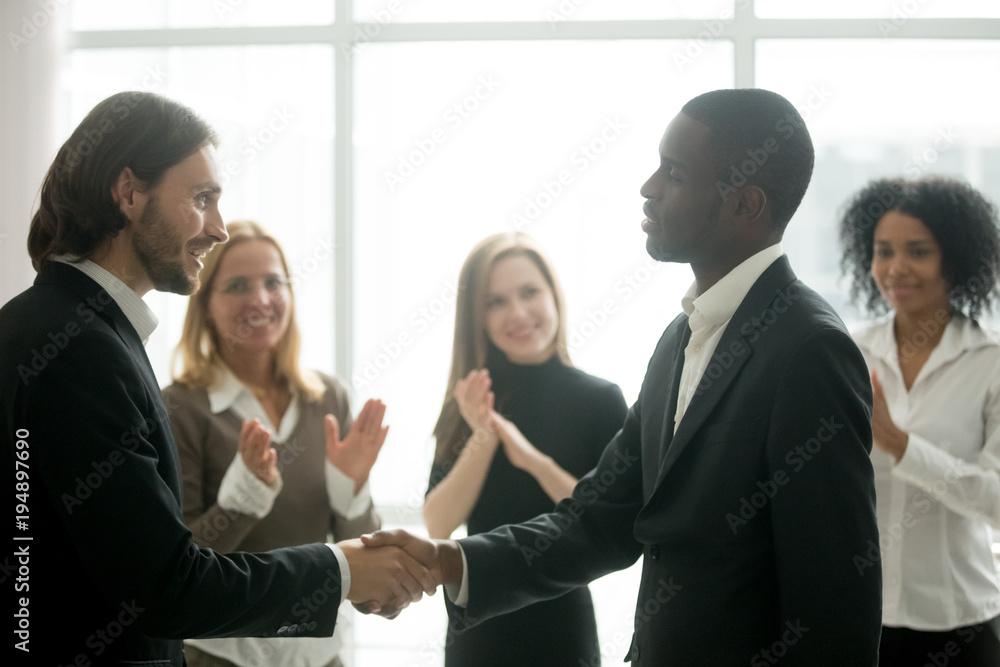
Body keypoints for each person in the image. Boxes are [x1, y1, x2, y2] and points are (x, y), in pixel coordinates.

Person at [363, 88, 883, 665]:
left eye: (674, 173)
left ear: (746, 204)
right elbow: (598, 520)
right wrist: (446, 561)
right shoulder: (677, 339)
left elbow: (837, 603)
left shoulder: (811, 349)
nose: (648, 187)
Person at [0, 91, 434, 667]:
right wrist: (342, 569)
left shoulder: (53, 326)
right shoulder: (82, 350)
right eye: (202, 198)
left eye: (274, 284)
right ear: (128, 192)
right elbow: (162, 588)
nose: (218, 228)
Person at [163, 220, 388, 667]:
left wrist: (352, 489)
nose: (260, 299)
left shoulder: (328, 398)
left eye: (273, 282)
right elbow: (179, 570)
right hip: (222, 656)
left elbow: (360, 548)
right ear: (206, 304)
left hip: (318, 653)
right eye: (238, 285)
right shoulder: (182, 407)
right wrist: (241, 501)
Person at [422, 232, 628, 665]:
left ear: (553, 294)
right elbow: (438, 523)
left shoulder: (601, 400)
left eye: (529, 292)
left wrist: (531, 459)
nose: (517, 312)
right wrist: (484, 433)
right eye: (495, 301)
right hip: (477, 631)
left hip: (563, 632)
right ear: (476, 316)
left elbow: (612, 522)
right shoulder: (469, 400)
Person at [839, 176, 1000, 666]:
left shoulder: (990, 363)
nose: (896, 268)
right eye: (883, 250)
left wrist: (900, 445)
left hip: (961, 621)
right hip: (859, 616)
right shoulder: (847, 351)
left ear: (955, 259)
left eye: (918, 251)